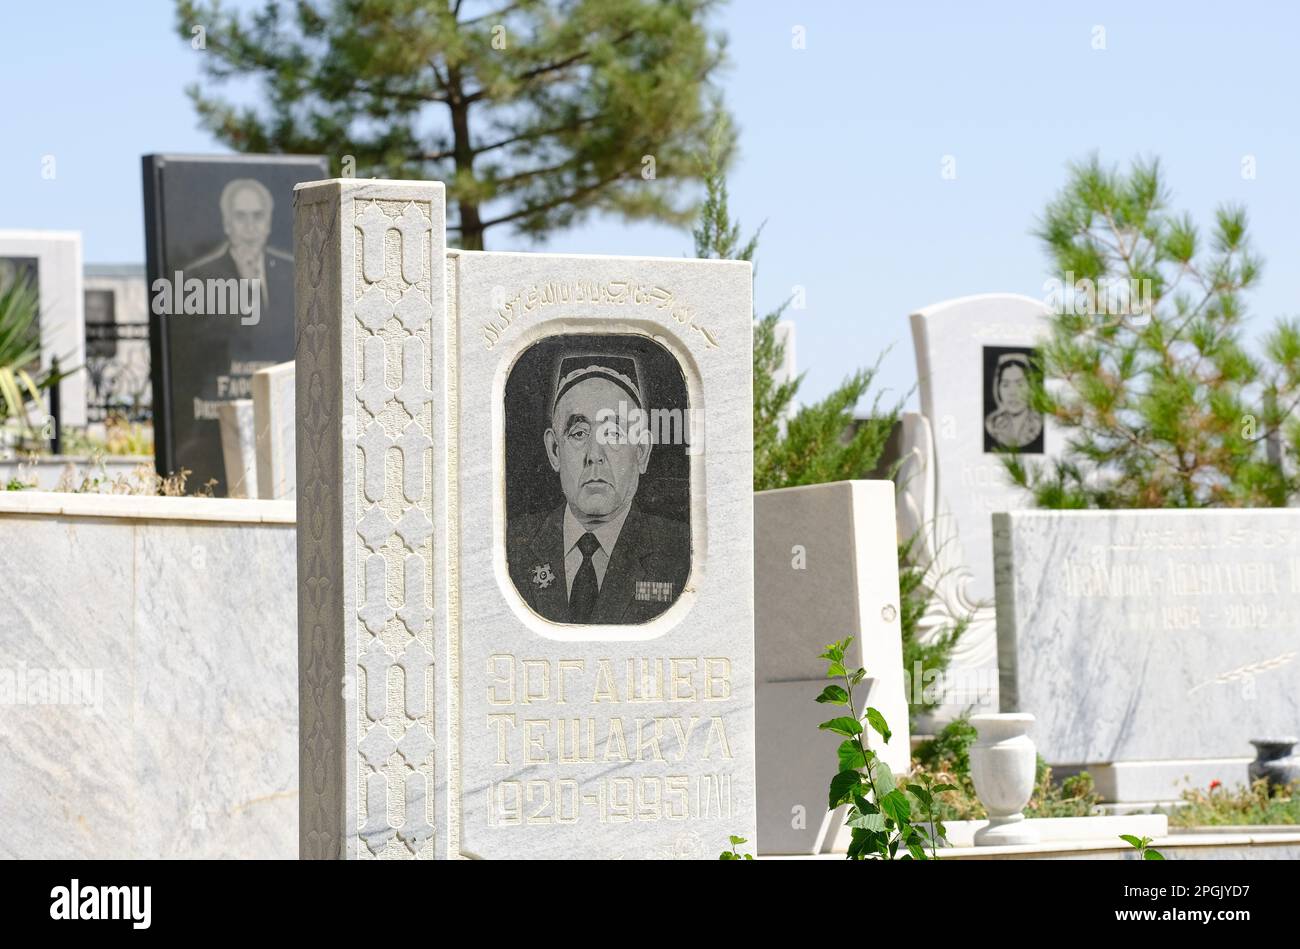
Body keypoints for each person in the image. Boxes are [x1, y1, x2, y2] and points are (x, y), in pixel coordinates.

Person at [507, 354, 690, 624]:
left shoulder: (681, 554)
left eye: (613, 434)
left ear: (641, 451)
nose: (594, 454)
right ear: (554, 450)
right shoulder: (510, 548)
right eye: (579, 433)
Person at [184, 177, 293, 307]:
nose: (250, 227)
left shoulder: (293, 271)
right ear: (227, 224)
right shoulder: (198, 279)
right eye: (240, 216)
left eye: (258, 216)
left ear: (268, 224)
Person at [984, 352, 1043, 449]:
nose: (1013, 393)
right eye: (1006, 385)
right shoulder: (992, 425)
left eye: (1020, 384)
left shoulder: (1039, 424)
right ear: (997, 389)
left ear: (1031, 387)